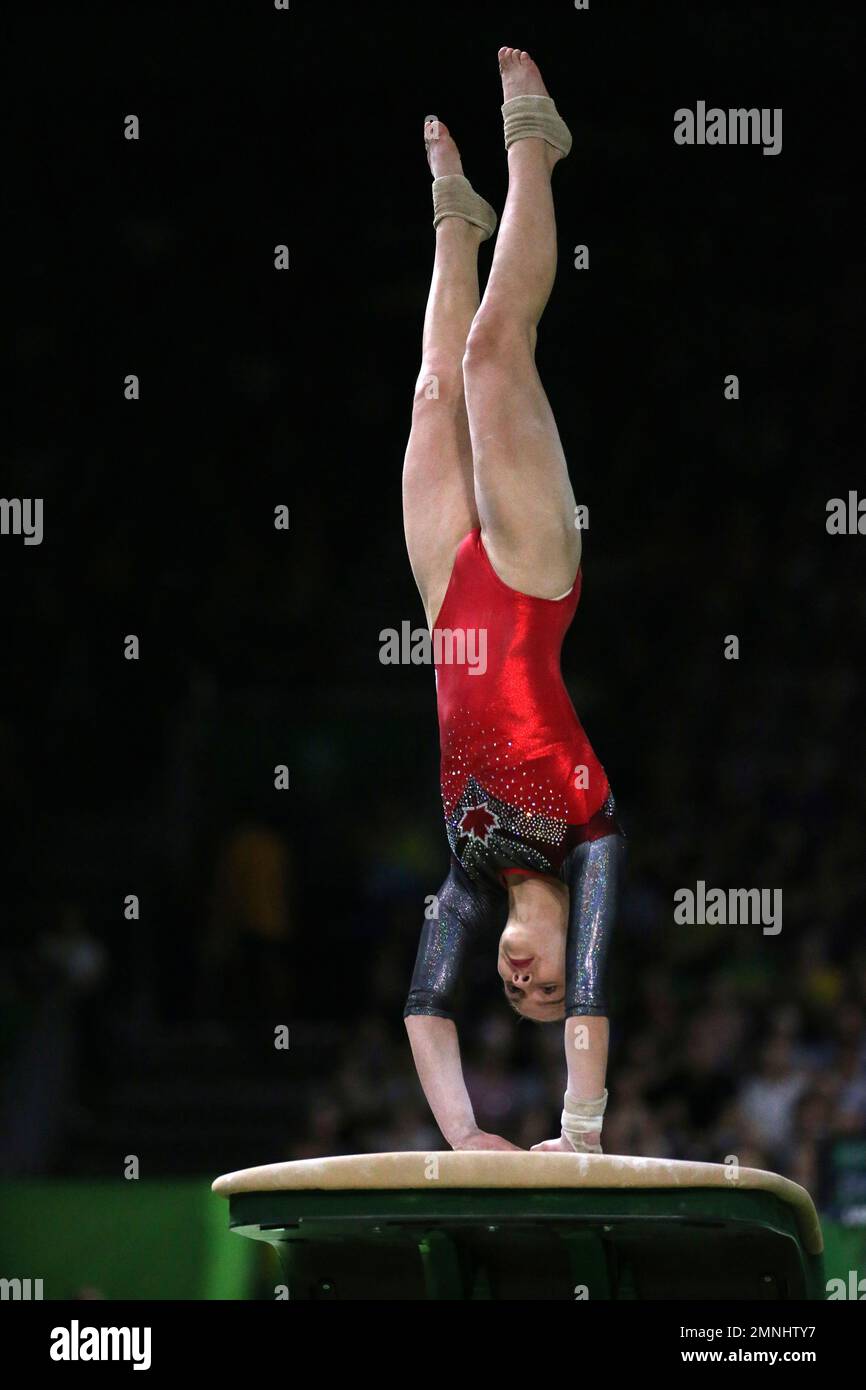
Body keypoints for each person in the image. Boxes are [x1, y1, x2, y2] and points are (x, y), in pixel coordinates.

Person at [402, 49, 626, 1154]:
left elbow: (420, 1013)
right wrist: (575, 1129)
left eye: (519, 996)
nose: (531, 986)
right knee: (493, 356)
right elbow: (594, 1006)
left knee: (434, 391)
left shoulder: (465, 865)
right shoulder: (587, 843)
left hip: (446, 599)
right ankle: (536, 143)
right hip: (534, 585)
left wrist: (463, 1137)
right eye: (545, 998)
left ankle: (455, 221)